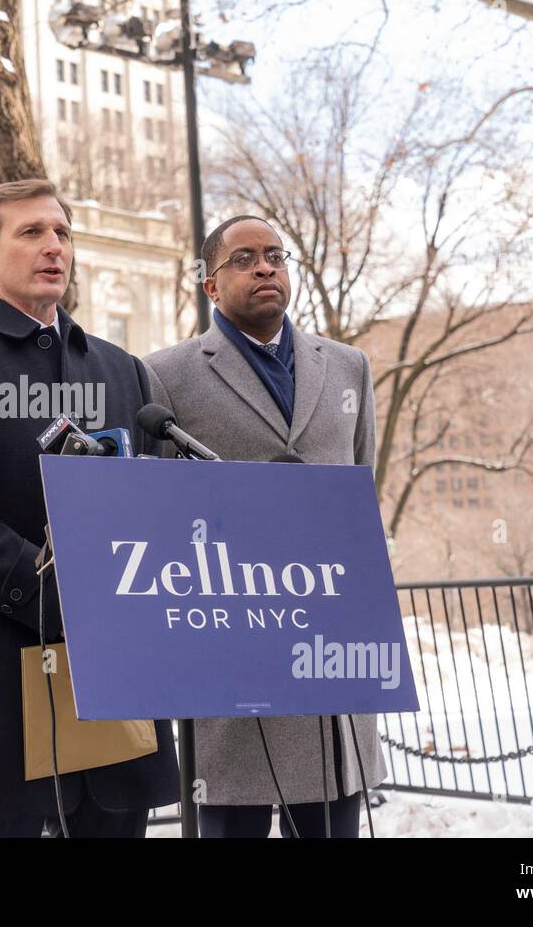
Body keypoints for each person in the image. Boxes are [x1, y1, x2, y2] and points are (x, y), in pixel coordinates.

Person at [0, 179, 179, 837]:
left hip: (109, 674)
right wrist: (59, 594)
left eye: (62, 233)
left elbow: (152, 503)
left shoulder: (122, 370)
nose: (53, 246)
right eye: (30, 233)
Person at [143, 214, 387, 838]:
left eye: (275, 256)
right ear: (209, 284)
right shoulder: (165, 375)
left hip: (327, 658)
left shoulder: (349, 367)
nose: (265, 267)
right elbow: (157, 515)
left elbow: (362, 490)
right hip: (230, 656)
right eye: (245, 257)